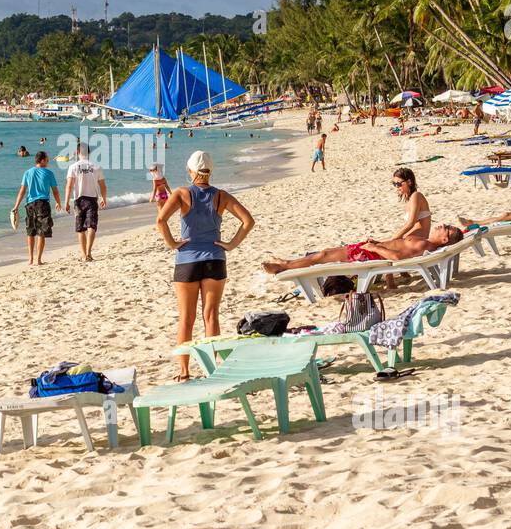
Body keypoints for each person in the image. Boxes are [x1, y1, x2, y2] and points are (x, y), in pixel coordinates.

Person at [157, 151, 255, 380]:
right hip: (215, 259)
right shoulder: (221, 196)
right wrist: (231, 244)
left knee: (186, 318)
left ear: (191, 171)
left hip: (187, 260)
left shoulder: (182, 193)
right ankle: (212, 369)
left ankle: (184, 372)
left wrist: (173, 243)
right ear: (210, 171)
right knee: (211, 316)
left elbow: (160, 220)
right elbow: (248, 221)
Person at [261, 225, 464, 276]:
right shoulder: (425, 241)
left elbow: (397, 258)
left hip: (369, 254)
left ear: (444, 239)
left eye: (445, 227)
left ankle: (284, 267)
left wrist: (374, 247)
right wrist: (378, 242)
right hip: (372, 249)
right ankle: (287, 261)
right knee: (324, 252)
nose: (441, 225)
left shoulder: (423, 245)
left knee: (322, 257)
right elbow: (396, 247)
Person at [10, 150, 59, 266]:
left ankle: (31, 259)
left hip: (30, 205)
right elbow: (55, 191)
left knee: (30, 231)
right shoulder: (49, 173)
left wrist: (16, 206)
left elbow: (22, 191)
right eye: (47, 159)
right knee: (41, 232)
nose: (48, 161)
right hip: (43, 204)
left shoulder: (28, 172)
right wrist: (58, 202)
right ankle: (38, 260)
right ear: (42, 160)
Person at [63, 142, 107, 261]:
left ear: (77, 152)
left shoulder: (73, 167)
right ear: (89, 152)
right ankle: (89, 253)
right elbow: (103, 185)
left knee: (80, 228)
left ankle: (83, 254)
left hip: (78, 200)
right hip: (92, 199)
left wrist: (66, 202)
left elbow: (69, 186)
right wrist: (104, 198)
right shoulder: (96, 166)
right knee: (91, 226)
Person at [388, 168, 432, 239]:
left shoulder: (416, 196)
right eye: (394, 184)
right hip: (410, 238)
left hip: (418, 241)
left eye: (399, 184)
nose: (396, 187)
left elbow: (410, 224)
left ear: (409, 182)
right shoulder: (410, 199)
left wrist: (392, 239)